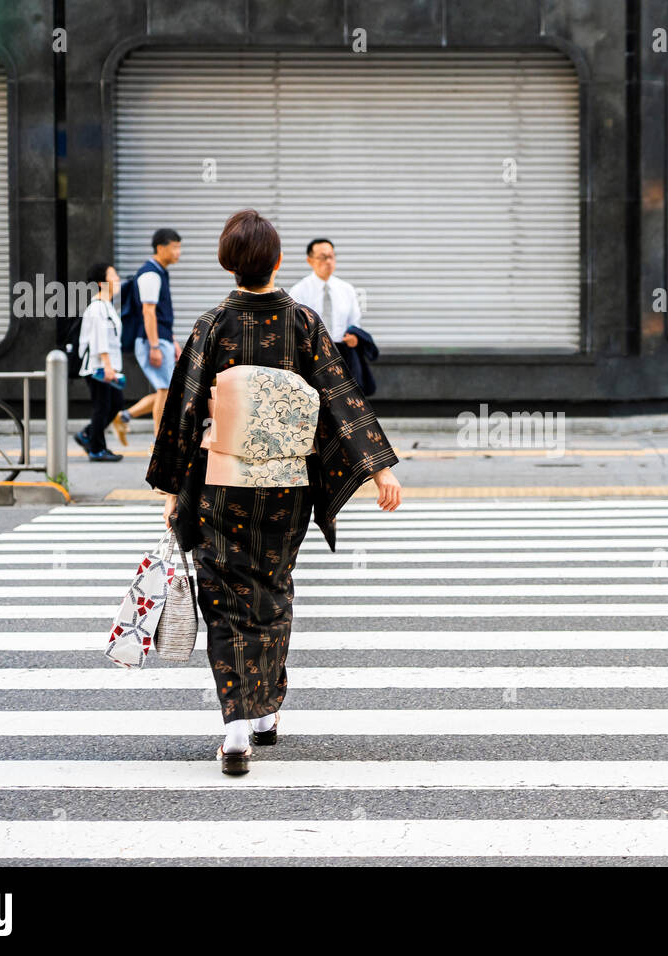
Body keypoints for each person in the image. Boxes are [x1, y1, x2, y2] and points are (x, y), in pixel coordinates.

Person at [146, 209, 402, 776]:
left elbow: (185, 411)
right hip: (287, 487)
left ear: (226, 263)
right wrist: (379, 469)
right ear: (281, 262)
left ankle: (235, 729)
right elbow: (340, 394)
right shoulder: (304, 322)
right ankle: (265, 716)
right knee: (272, 589)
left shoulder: (211, 326)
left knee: (224, 596)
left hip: (223, 485)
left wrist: (170, 489)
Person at [290, 238, 374, 392]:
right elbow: (294, 327)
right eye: (322, 257)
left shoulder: (346, 289)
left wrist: (354, 338)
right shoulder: (299, 291)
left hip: (342, 353)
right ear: (310, 260)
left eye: (331, 256)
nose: (328, 261)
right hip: (313, 355)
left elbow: (354, 323)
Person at [125, 228, 182, 437]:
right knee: (164, 390)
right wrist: (155, 346)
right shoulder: (150, 274)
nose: (178, 252)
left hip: (161, 338)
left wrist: (173, 342)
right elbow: (148, 313)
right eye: (174, 247)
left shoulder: (160, 272)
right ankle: (160, 438)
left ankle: (125, 416)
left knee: (166, 390)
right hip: (152, 340)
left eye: (179, 247)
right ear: (160, 248)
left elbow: (161, 314)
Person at [74, 262, 125, 462]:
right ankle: (96, 448)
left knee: (115, 403)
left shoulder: (106, 306)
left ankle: (89, 435)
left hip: (105, 366)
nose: (118, 279)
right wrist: (107, 365)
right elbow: (99, 339)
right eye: (113, 276)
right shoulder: (97, 308)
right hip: (97, 367)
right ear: (101, 283)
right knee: (103, 406)